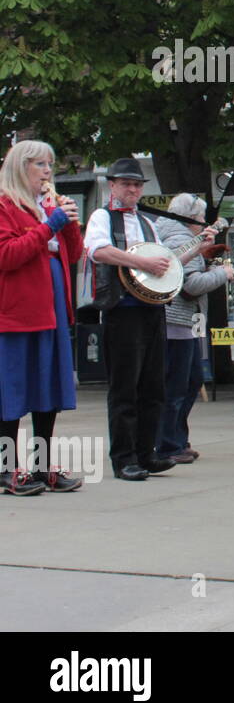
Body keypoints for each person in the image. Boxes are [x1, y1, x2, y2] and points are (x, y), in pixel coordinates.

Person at [85, 157, 216, 481]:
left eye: (137, 185)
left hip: (151, 309)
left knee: (153, 386)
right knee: (125, 387)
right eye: (126, 183)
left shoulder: (147, 224)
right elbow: (98, 250)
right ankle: (124, 458)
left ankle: (147, 454)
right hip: (122, 310)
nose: (132, 189)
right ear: (112, 185)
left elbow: (166, 263)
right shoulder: (102, 216)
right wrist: (138, 262)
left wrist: (197, 249)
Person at [0, 141, 84, 495]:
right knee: (12, 394)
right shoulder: (5, 205)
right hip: (17, 315)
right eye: (40, 165)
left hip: (50, 312)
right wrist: (49, 225)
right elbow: (7, 255)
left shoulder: (47, 206)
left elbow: (76, 253)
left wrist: (67, 225)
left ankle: (42, 467)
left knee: (46, 392)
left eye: (50, 164)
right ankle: (6, 469)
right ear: (21, 167)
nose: (48, 172)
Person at [153, 193, 234, 464]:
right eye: (200, 218)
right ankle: (168, 444)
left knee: (187, 382)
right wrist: (223, 273)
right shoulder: (180, 238)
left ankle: (176, 439)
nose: (203, 223)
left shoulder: (175, 235)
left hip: (182, 323)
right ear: (188, 218)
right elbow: (189, 285)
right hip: (177, 322)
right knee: (179, 386)